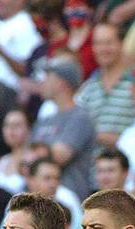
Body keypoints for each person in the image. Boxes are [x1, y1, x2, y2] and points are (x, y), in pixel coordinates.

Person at [32, 57, 98, 200]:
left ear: (61, 83)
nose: (42, 82)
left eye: (48, 76)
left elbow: (59, 156)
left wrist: (36, 154)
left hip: (68, 198)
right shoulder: (46, 119)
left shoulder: (79, 117)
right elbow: (26, 158)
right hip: (40, 197)